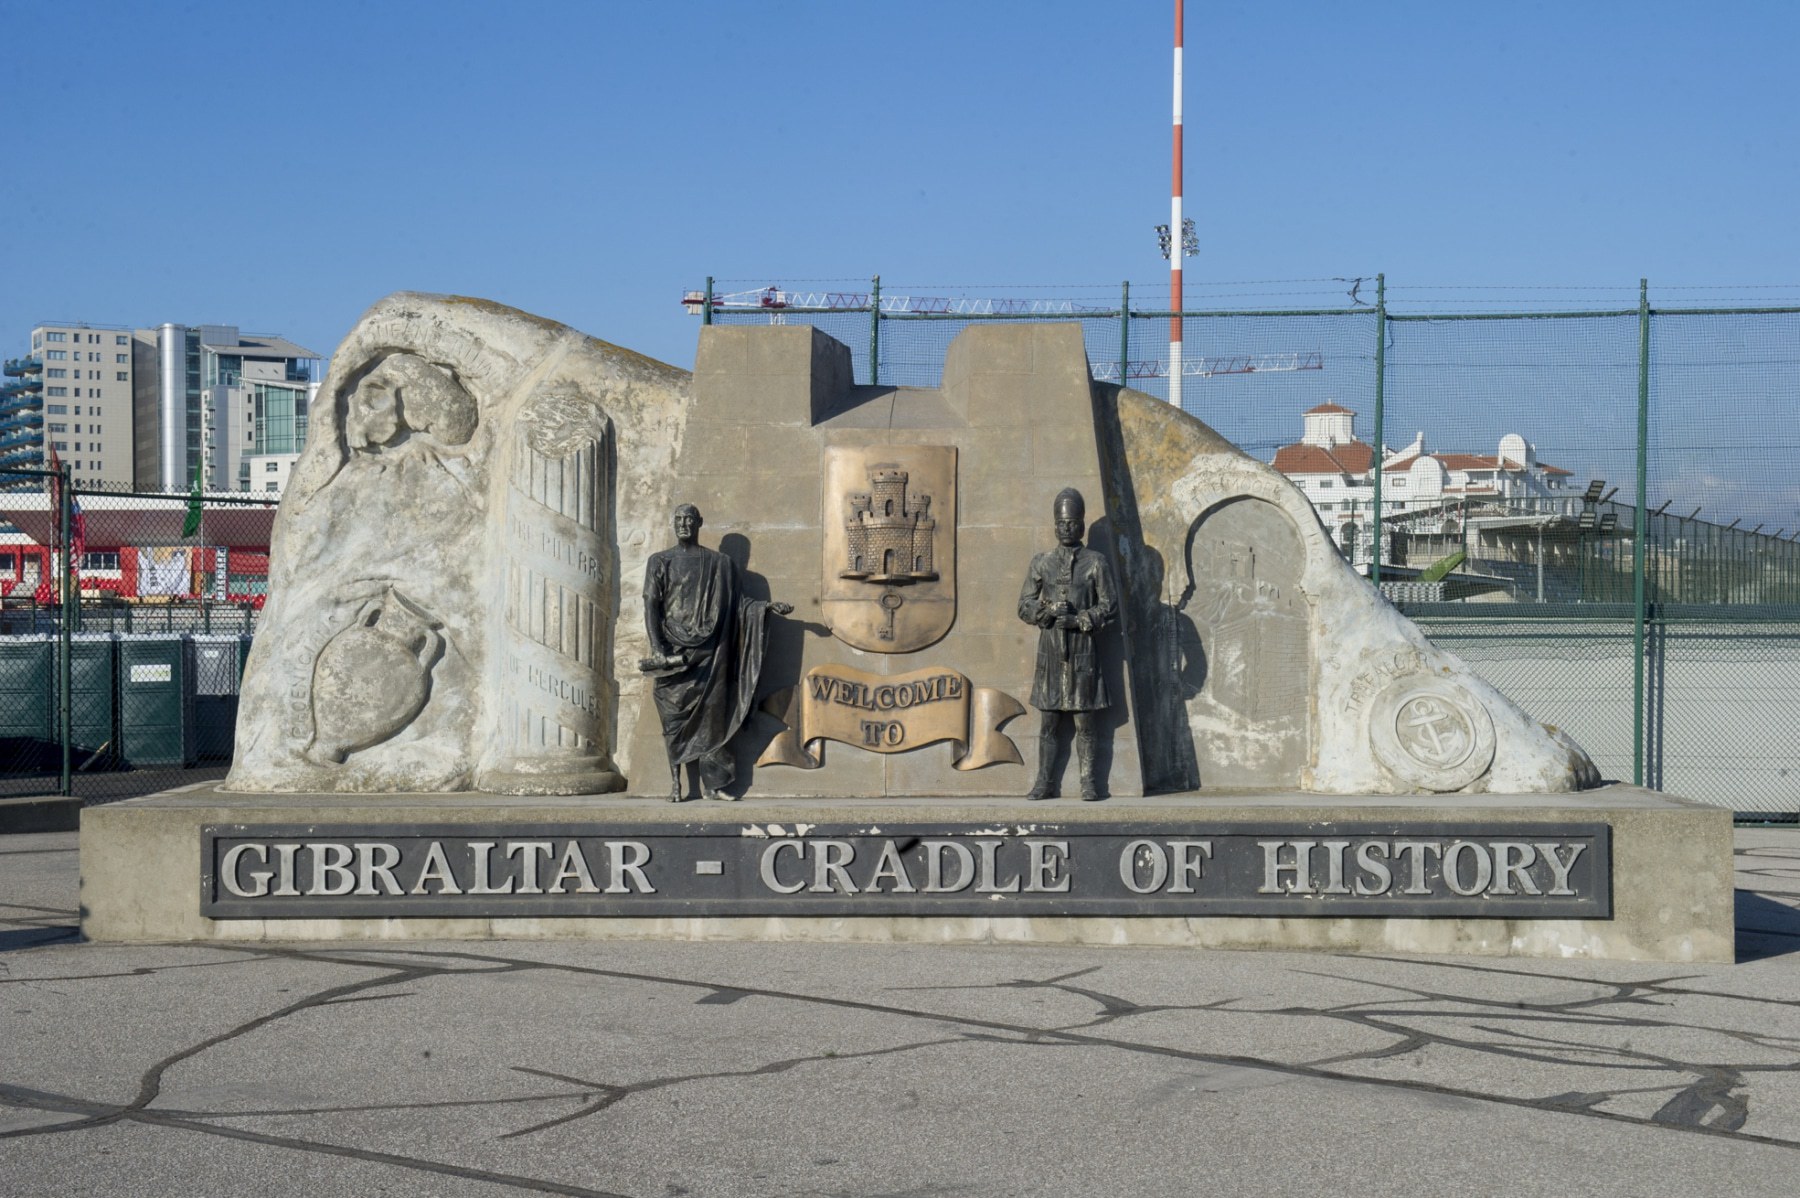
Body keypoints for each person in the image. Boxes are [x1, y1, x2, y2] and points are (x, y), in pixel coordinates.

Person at [640, 504, 791, 801]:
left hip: (712, 654)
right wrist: (658, 649)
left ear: (699, 523)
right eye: (679, 519)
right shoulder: (660, 561)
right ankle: (676, 785)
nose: (683, 524)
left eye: (689, 520)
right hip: (674, 655)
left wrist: (765, 608)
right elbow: (651, 606)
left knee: (712, 721)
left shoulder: (720, 564)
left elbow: (738, 606)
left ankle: (714, 784)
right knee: (672, 721)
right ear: (674, 524)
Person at [1016, 487, 1118, 800]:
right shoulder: (1041, 562)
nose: (1067, 529)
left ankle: (1089, 782)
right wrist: (1045, 612)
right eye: (1061, 524)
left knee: (1086, 722)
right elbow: (1023, 605)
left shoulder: (1096, 562)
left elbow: (1110, 606)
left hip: (1084, 654)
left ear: (1082, 525)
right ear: (1054, 525)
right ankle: (1044, 783)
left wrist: (1080, 619)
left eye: (1072, 523)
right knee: (1048, 723)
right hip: (1050, 655)